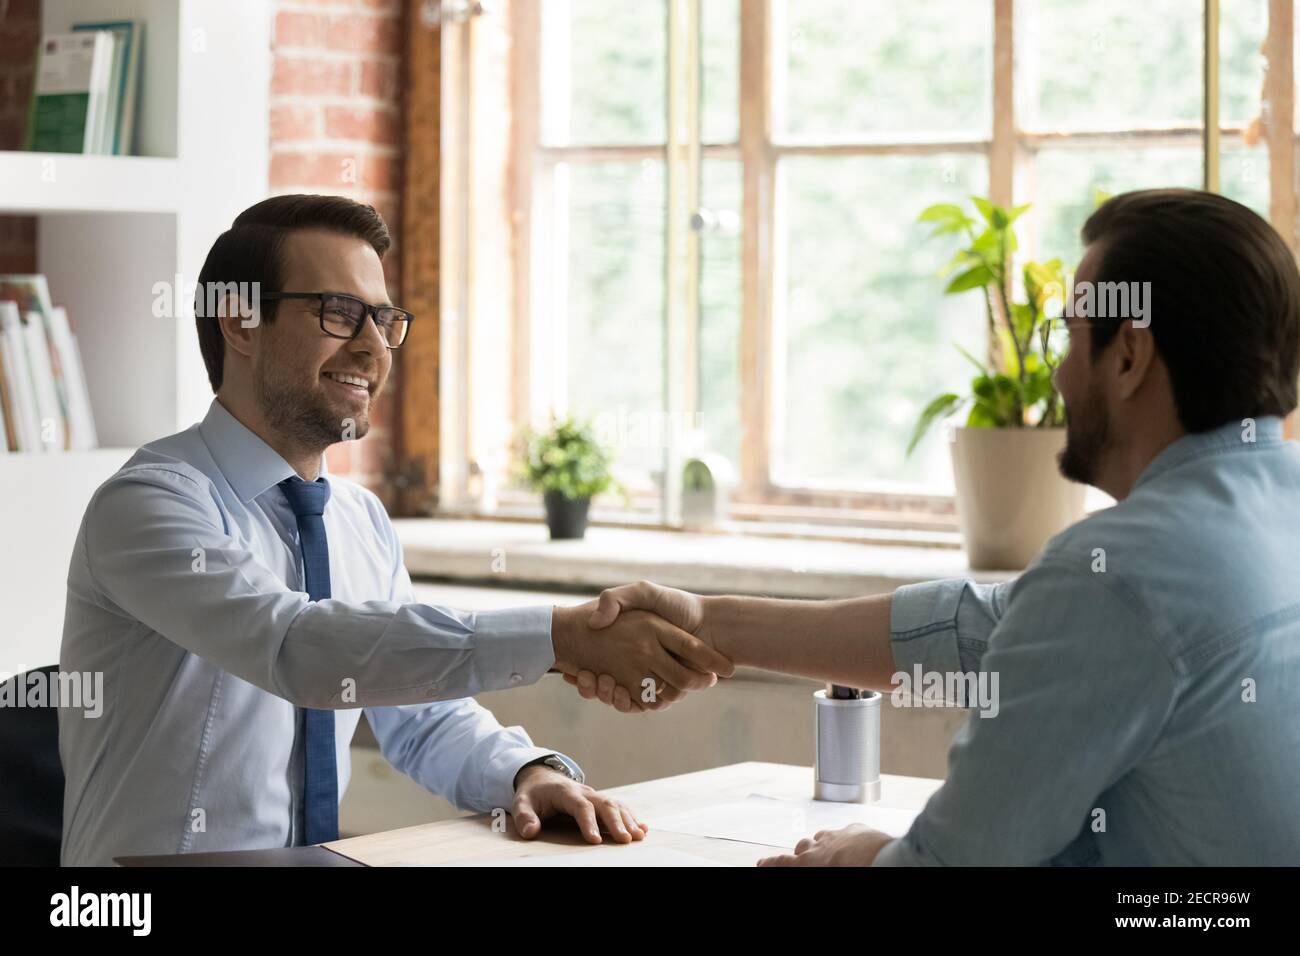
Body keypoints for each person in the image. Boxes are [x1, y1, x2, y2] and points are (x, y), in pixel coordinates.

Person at [575, 189, 1300, 866]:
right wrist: (709, 623)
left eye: (1068, 336)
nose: (1056, 377)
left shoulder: (1118, 574)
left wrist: (876, 857)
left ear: (1131, 356)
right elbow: (984, 631)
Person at [58, 194, 733, 866]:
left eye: (383, 319)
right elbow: (298, 650)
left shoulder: (358, 521)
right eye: (340, 313)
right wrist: (560, 637)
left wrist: (529, 773)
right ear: (240, 321)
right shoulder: (147, 505)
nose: (373, 346)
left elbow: (421, 711)